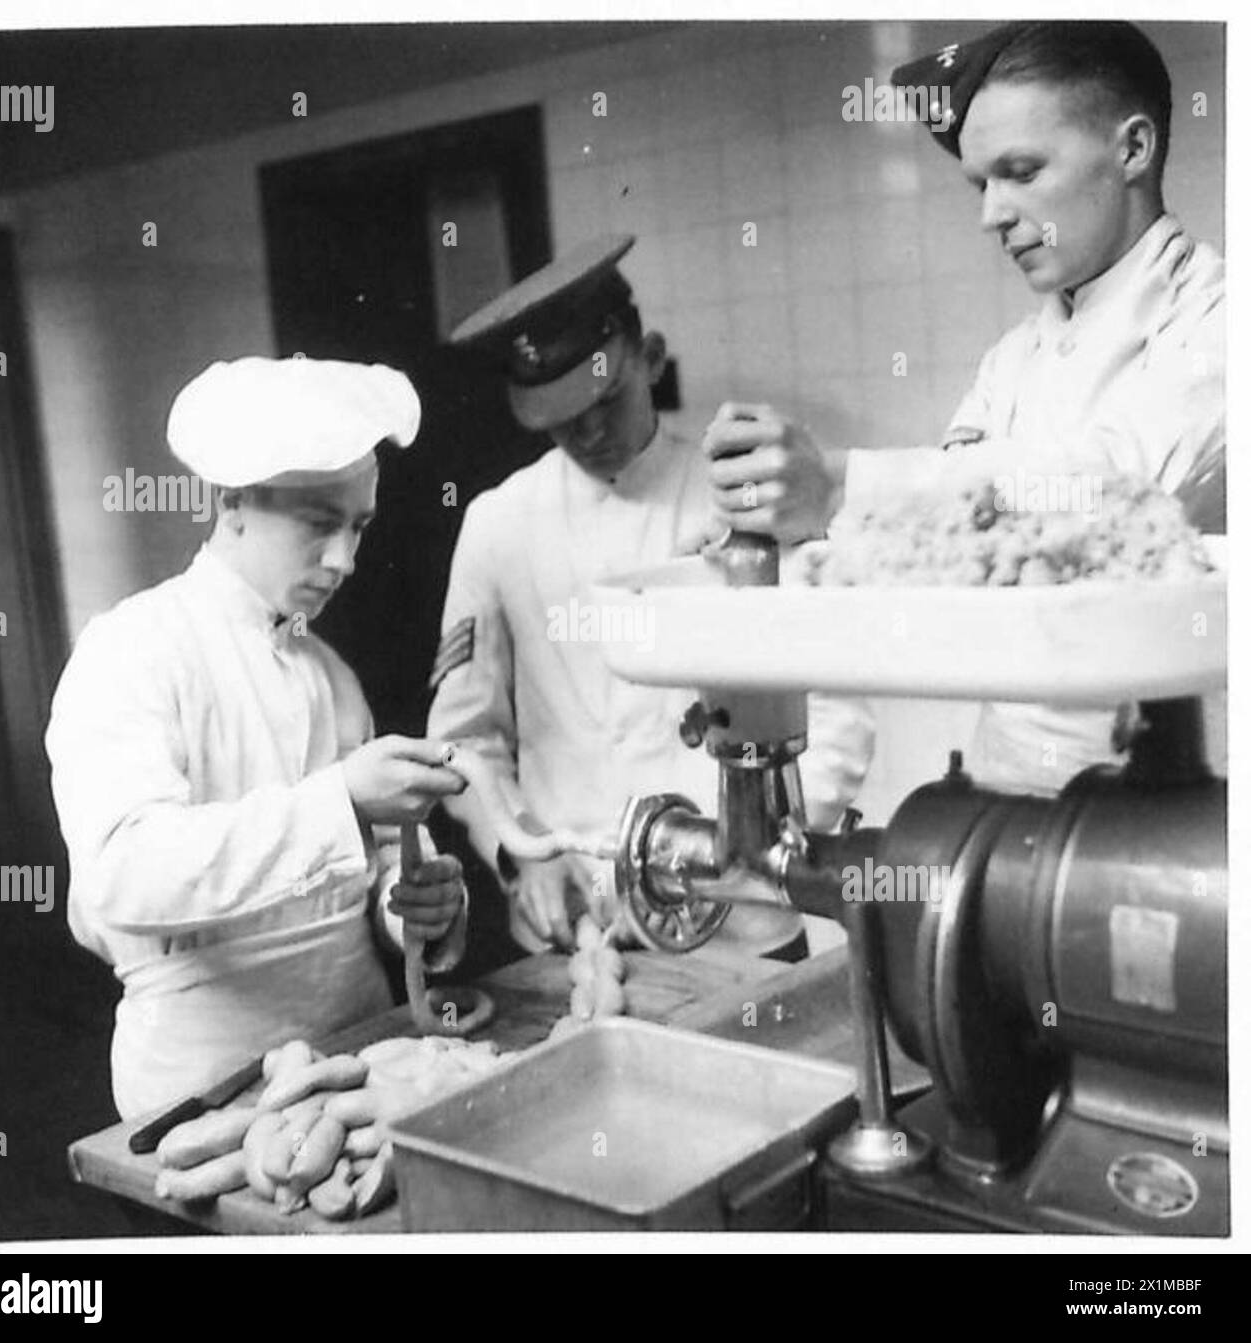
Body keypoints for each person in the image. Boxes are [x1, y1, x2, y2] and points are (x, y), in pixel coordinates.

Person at [701, 20, 1225, 792]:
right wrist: (785, 538)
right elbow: (947, 547)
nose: (992, 214)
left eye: (1020, 171)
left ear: (1134, 148)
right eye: (982, 184)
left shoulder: (1218, 319)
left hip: (1189, 792)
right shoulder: (1012, 361)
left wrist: (839, 486)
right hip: (1005, 780)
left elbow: (1110, 488)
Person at [427, 235, 875, 957]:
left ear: (651, 357)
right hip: (576, 925)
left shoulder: (746, 494)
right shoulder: (497, 523)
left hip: (740, 925)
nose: (592, 431)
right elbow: (461, 737)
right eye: (562, 423)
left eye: (606, 398)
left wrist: (748, 854)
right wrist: (522, 852)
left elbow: (839, 707)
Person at [46, 356, 470, 1119]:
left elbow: (365, 872)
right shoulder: (134, 646)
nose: (344, 558)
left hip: (362, 1055)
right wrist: (340, 802)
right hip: (207, 1086)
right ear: (234, 503)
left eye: (359, 526)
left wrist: (411, 908)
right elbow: (121, 871)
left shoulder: (330, 673)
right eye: (318, 524)